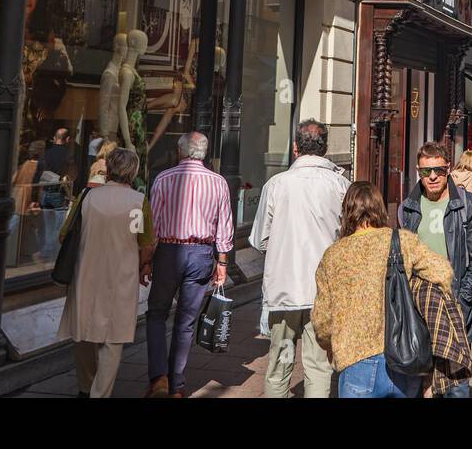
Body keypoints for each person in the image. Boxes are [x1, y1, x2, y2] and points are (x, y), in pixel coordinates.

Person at [312, 182, 453, 398]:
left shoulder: (333, 256)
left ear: (347, 212)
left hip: (354, 361)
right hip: (404, 357)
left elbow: (322, 323)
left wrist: (331, 344)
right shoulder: (402, 240)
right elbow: (443, 272)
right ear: (380, 209)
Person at [250, 119, 349, 399]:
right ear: (326, 147)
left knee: (279, 363)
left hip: (283, 289)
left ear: (295, 148)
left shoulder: (276, 185)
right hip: (323, 291)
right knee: (319, 367)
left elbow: (259, 240)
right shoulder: (340, 185)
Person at [57, 148, 155, 397]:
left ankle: (85, 386)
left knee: (83, 334)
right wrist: (144, 264)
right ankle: (100, 393)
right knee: (113, 340)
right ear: (132, 172)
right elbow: (146, 244)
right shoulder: (138, 202)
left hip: (86, 273)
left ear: (108, 169)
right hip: (121, 277)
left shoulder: (87, 196)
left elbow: (63, 235)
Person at [145, 131, 233, 398]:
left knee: (157, 314)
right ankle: (177, 385)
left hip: (169, 252)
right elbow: (225, 226)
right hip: (201, 253)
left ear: (180, 150)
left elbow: (152, 225)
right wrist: (222, 262)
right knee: (185, 321)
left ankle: (159, 378)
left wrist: (146, 260)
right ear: (203, 153)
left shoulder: (163, 178)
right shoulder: (218, 182)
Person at [399, 141, 472, 397]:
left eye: (438, 169)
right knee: (416, 379)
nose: (433, 176)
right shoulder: (408, 208)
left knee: (455, 383)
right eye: (426, 171)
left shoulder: (468, 206)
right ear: (419, 172)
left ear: (448, 168)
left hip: (455, 303)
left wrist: (464, 300)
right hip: (418, 306)